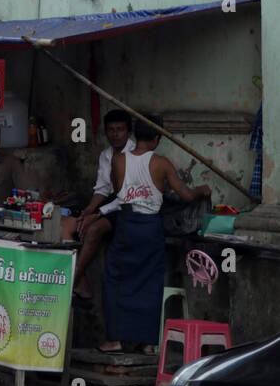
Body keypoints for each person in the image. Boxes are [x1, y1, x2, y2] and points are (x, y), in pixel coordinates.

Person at [101, 114, 211, 354]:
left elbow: (118, 189)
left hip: (126, 225)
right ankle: (147, 343)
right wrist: (202, 189)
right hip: (150, 228)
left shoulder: (118, 160)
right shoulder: (162, 163)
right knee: (150, 282)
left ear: (134, 135)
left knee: (116, 280)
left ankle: (115, 340)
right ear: (157, 138)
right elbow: (186, 195)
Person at [63, 110, 135, 300]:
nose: (115, 134)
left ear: (128, 132)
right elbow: (102, 189)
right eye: (111, 130)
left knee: (94, 230)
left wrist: (98, 214)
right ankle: (81, 281)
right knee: (70, 223)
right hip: (110, 202)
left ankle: (72, 279)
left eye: (120, 129)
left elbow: (126, 196)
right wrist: (88, 211)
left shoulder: (135, 155)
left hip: (128, 206)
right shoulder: (106, 155)